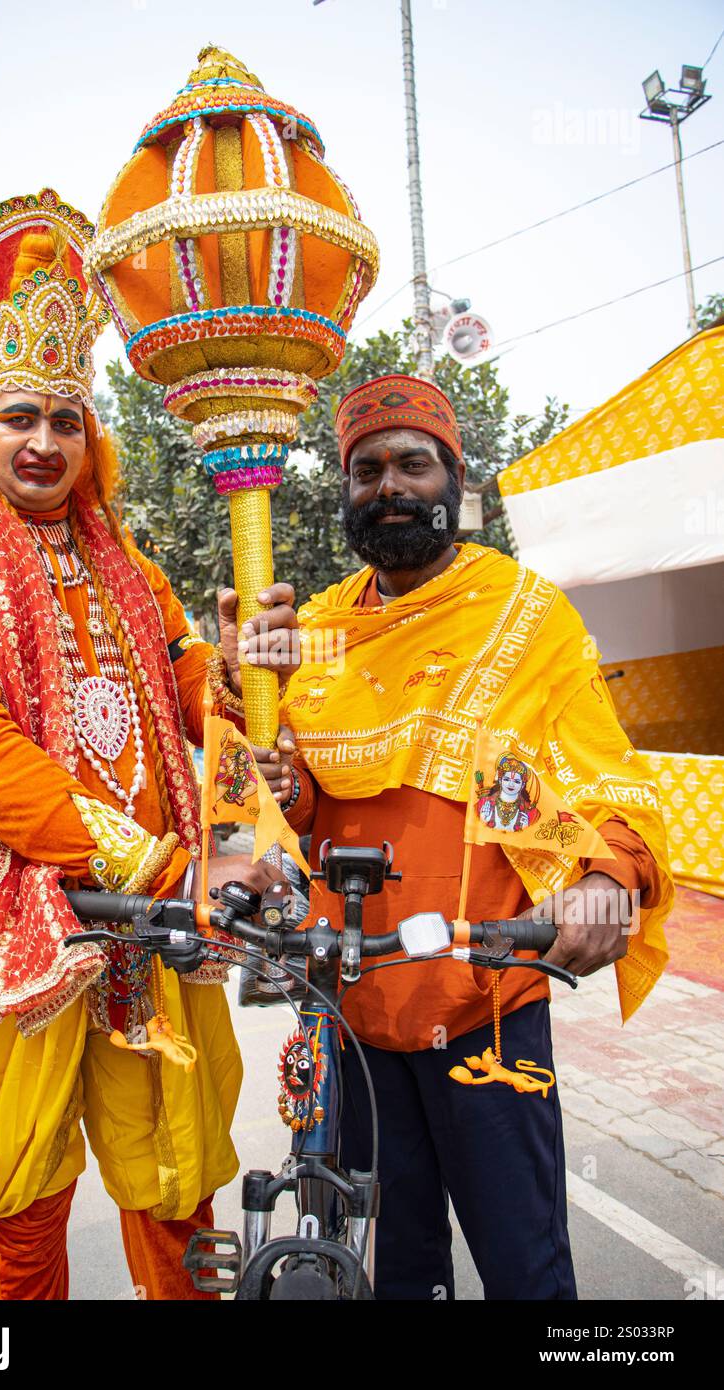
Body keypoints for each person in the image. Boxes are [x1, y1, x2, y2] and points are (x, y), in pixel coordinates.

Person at [0, 188, 298, 1301]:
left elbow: (190, 683)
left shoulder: (126, 561)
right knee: (19, 1198)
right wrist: (152, 862)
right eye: (19, 418)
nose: (44, 442)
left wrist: (252, 682)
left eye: (65, 421)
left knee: (177, 1179)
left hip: (156, 922)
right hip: (7, 921)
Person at [256, 373, 673, 1300]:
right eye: (367, 470)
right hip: (351, 1012)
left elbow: (607, 776)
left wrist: (607, 875)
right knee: (394, 1273)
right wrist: (258, 721)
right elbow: (300, 800)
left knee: (525, 1270)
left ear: (456, 484)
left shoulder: (529, 617)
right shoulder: (315, 631)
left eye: (414, 464)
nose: (390, 486)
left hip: (486, 1002)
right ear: (346, 490)